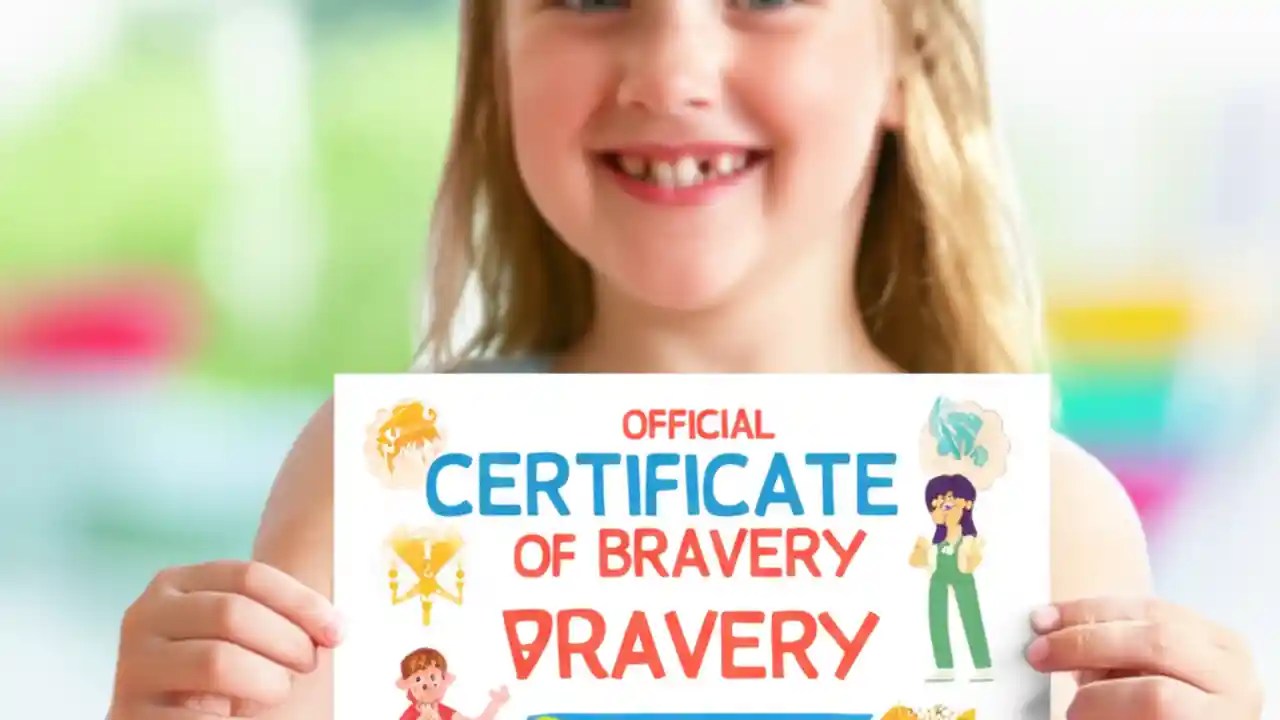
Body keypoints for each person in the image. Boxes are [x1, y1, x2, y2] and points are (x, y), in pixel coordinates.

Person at [105, 1, 1264, 719]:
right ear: (494, 57)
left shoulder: (1052, 524)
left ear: (907, 55)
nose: (669, 70)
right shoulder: (367, 492)